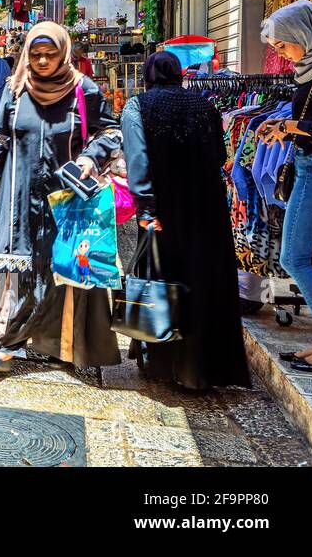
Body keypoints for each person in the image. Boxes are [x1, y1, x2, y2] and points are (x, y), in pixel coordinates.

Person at [0, 21, 121, 373]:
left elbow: (110, 131)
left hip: (66, 199)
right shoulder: (16, 89)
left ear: (63, 53)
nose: (41, 61)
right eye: (35, 54)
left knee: (62, 270)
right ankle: (6, 343)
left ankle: (60, 344)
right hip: (18, 198)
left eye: (49, 55)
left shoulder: (83, 90)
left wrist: (91, 155)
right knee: (21, 272)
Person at [96, 52, 250, 389]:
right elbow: (220, 156)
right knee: (201, 280)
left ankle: (164, 361)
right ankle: (202, 370)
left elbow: (138, 161)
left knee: (162, 279)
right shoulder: (205, 106)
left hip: (163, 209)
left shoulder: (139, 107)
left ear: (149, 75)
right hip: (206, 207)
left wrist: (146, 207)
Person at [256, 0, 312, 374]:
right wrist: (279, 127)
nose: (281, 54)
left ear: (302, 35)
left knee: (294, 257)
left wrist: (291, 128)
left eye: (283, 45)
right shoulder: (307, 71)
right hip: (309, 162)